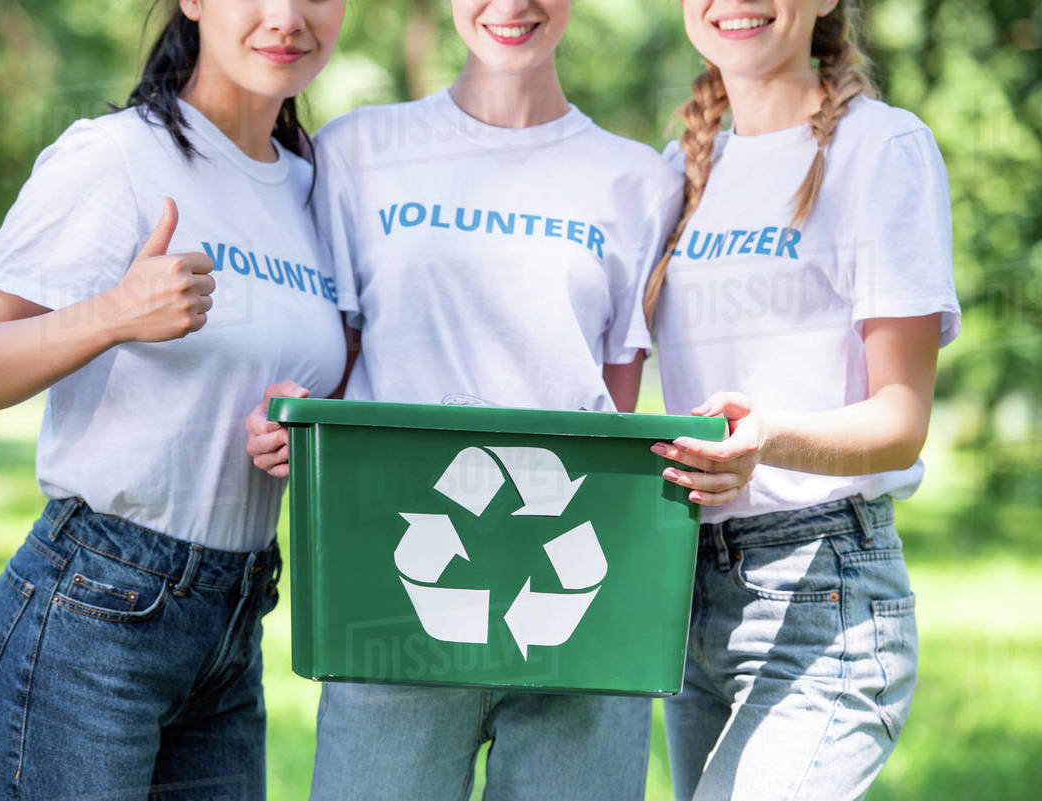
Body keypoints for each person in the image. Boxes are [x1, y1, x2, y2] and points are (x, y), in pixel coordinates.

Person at [246, 1, 751, 797]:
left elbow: (614, 421)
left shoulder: (638, 179)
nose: (512, 7)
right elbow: (333, 361)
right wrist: (289, 410)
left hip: (576, 610)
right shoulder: (360, 151)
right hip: (390, 601)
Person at [0, 1, 346, 798]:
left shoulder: (315, 186)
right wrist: (112, 313)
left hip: (232, 628)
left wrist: (303, 424)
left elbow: (315, 375)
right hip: (95, 617)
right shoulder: (116, 157)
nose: (286, 16)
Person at [645, 1, 961, 798]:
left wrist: (766, 438)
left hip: (821, 594)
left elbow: (901, 422)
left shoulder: (882, 150)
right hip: (683, 590)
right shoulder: (680, 166)